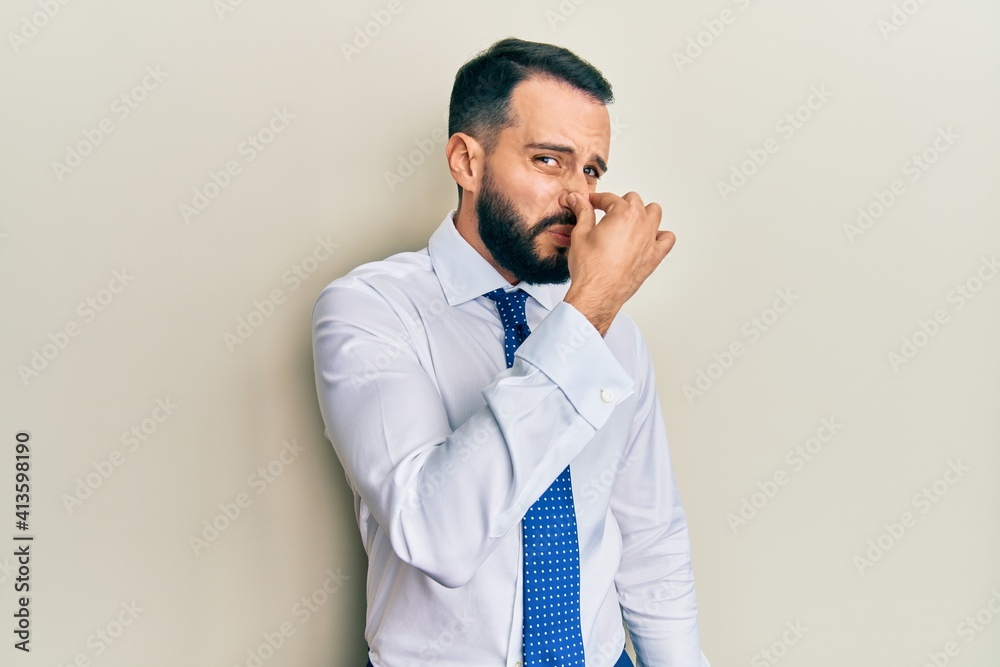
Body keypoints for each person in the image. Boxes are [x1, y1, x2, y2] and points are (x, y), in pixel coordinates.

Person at [312, 37, 710, 667]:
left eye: (592, 170)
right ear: (466, 162)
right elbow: (436, 535)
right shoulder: (369, 310)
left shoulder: (615, 332)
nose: (578, 198)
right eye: (549, 160)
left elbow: (650, 539)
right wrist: (590, 312)